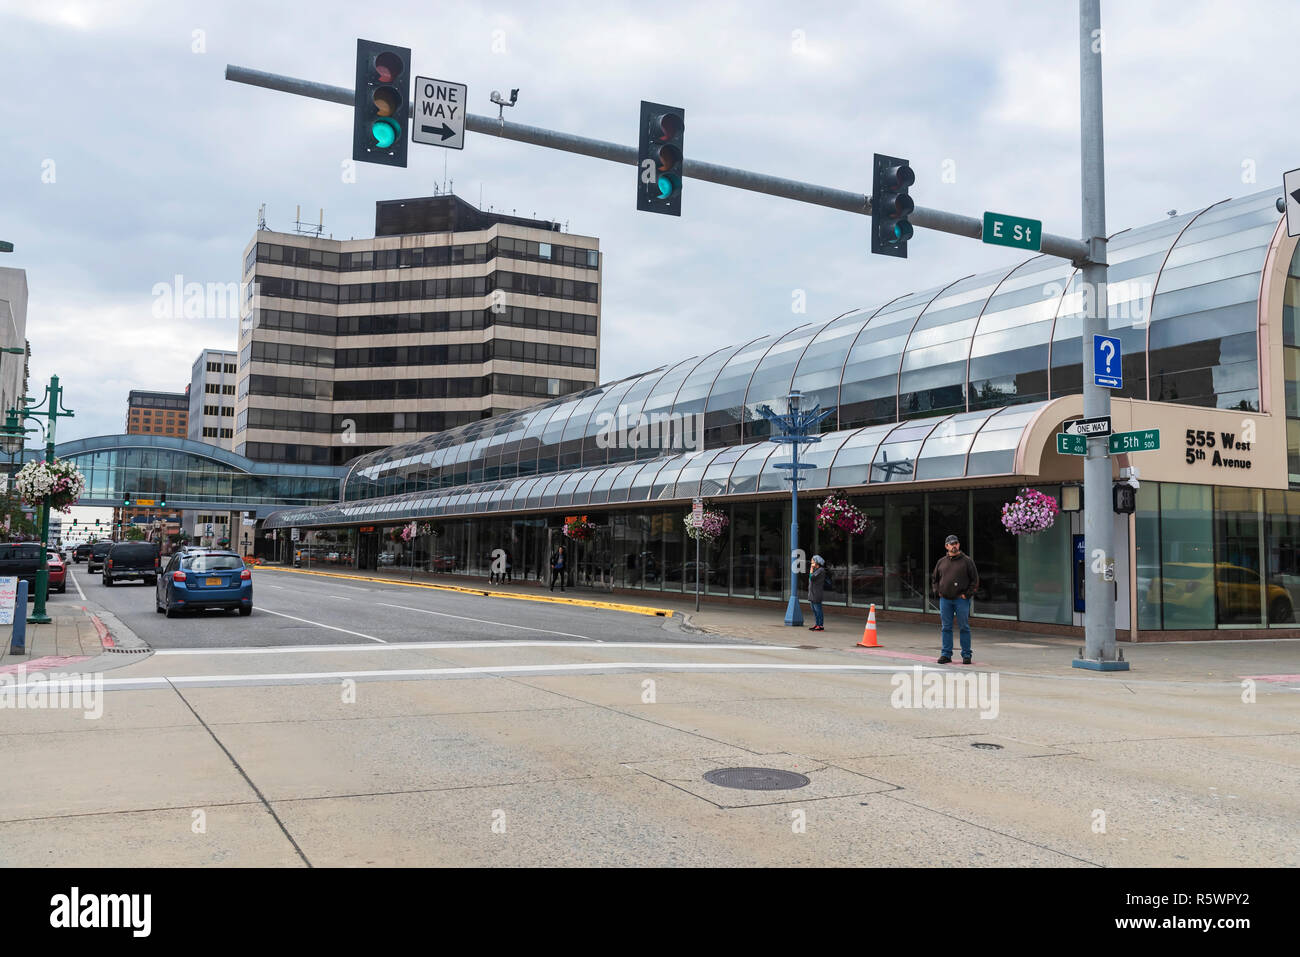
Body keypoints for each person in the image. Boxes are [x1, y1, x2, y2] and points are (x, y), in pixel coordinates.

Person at [931, 534, 979, 664]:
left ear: (959, 545)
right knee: (946, 627)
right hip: (945, 600)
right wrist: (937, 591)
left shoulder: (967, 561)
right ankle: (946, 654)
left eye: (956, 543)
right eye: (951, 544)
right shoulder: (941, 562)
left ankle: (966, 655)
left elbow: (974, 580)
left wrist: (967, 595)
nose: (954, 546)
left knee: (964, 627)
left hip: (961, 600)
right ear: (946, 546)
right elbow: (934, 579)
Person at [807, 554, 826, 631]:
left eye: (813, 561)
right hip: (812, 593)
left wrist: (811, 568)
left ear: (817, 562)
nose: (811, 562)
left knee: (818, 610)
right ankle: (816, 624)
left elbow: (812, 578)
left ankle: (820, 625)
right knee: (814, 610)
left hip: (816, 594)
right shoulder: (816, 570)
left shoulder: (821, 570)